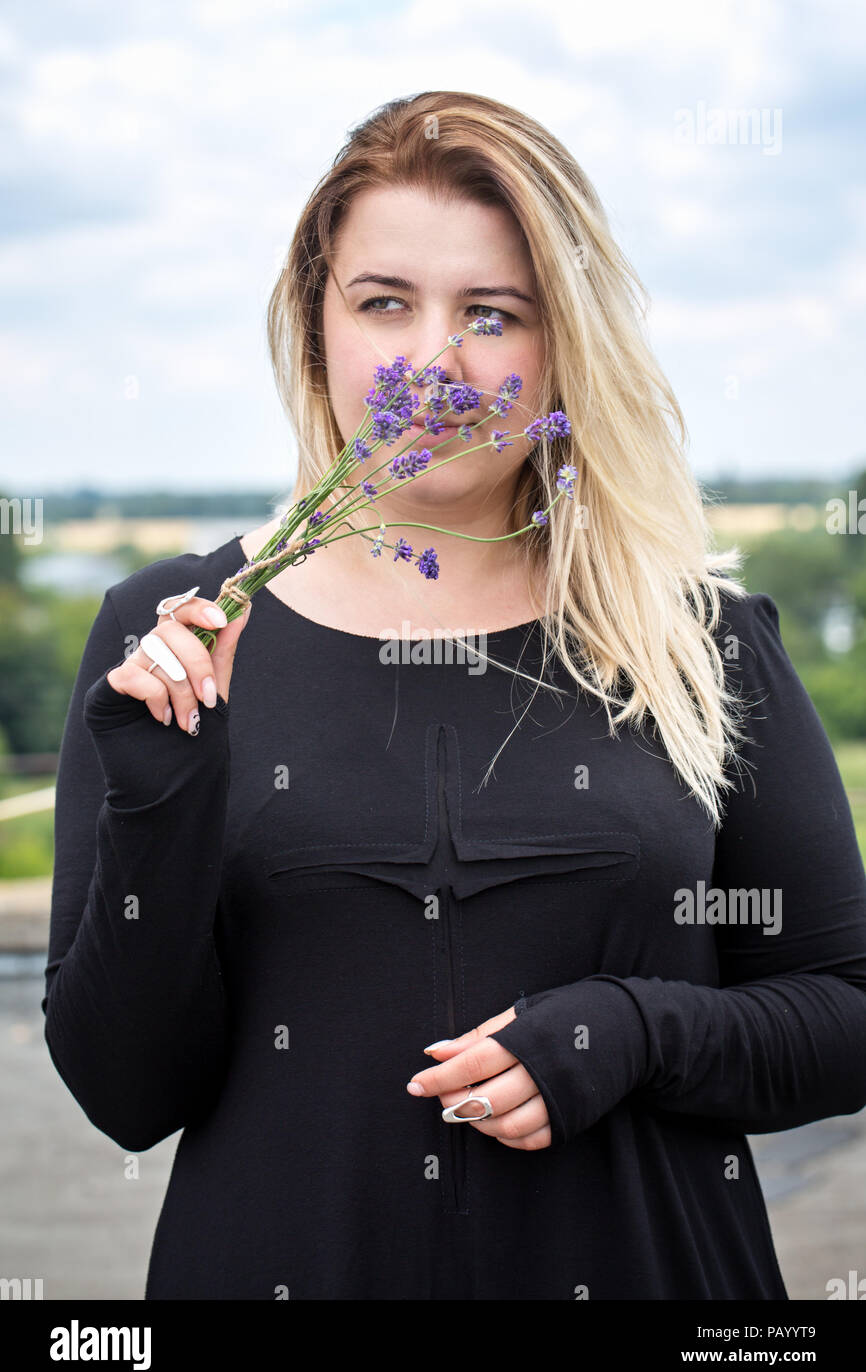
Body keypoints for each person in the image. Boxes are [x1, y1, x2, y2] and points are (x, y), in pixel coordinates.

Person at [43, 91, 866, 1300]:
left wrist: (629, 1031)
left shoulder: (696, 636)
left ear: (560, 346)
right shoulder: (173, 635)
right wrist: (160, 798)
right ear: (316, 325)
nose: (433, 362)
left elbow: (842, 1013)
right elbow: (125, 1096)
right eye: (384, 302)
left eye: (491, 314)